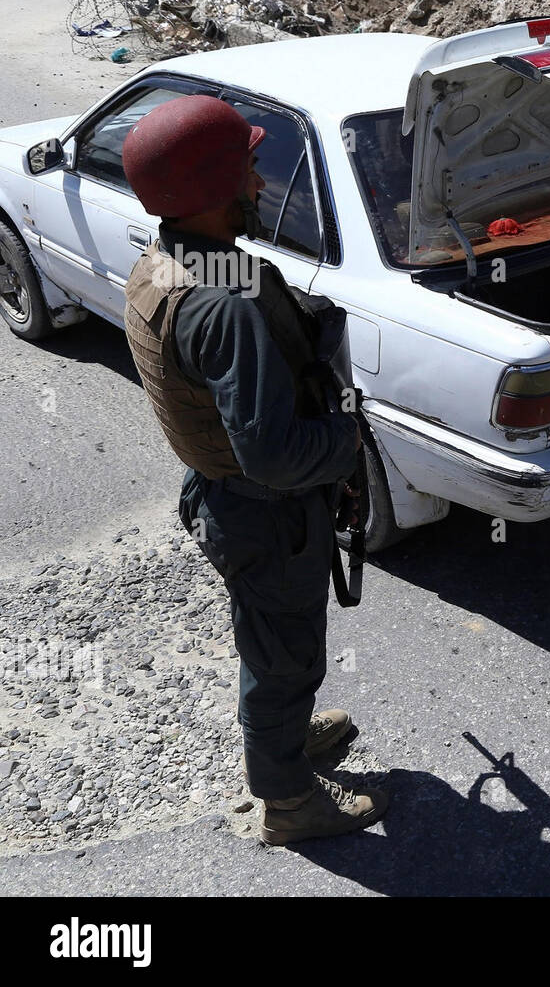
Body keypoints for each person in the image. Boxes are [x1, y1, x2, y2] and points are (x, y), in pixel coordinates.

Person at [121, 94, 388, 844]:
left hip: (232, 502)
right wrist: (347, 444)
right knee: (283, 655)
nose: (260, 183)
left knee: (273, 642)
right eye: (248, 169)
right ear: (211, 189)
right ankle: (287, 800)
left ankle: (287, 740)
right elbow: (271, 453)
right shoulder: (218, 304)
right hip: (264, 513)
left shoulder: (167, 259)